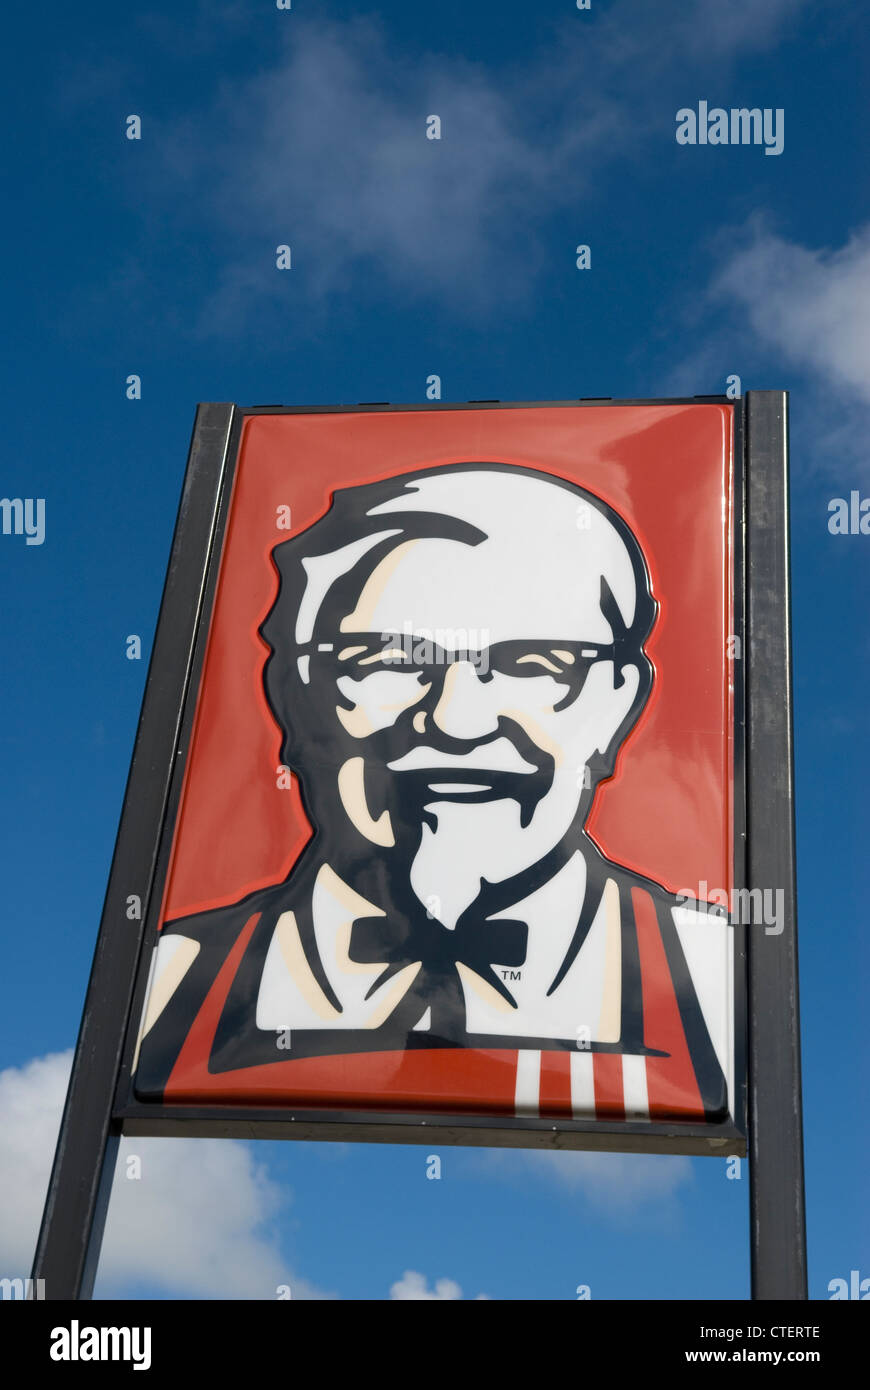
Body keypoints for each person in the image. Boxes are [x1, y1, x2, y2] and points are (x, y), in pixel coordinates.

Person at [134, 463, 734, 1123]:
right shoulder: (171, 984)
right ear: (299, 689)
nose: (456, 721)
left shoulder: (718, 982)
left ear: (616, 701)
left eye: (534, 665)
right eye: (392, 661)